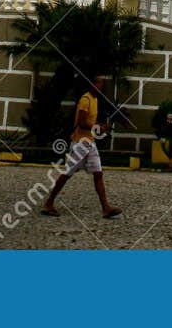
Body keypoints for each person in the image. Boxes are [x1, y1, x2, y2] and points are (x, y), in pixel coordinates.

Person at [41, 75, 122, 220]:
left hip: (90, 143)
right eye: (98, 83)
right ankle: (49, 202)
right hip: (80, 143)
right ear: (91, 84)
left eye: (101, 83)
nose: (101, 86)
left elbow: (90, 121)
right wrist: (98, 127)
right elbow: (82, 123)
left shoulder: (95, 100)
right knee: (67, 174)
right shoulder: (85, 100)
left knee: (98, 173)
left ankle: (105, 208)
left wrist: (101, 126)